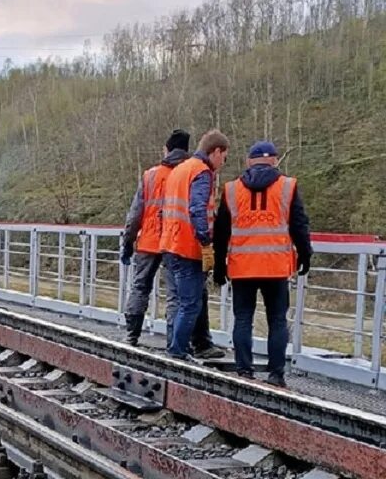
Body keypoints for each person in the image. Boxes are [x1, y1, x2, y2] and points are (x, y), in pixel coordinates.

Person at [213, 141, 311, 387]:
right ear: (275, 160)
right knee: (277, 320)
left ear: (248, 162)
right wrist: (305, 254)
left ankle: (244, 371)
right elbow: (299, 225)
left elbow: (221, 231)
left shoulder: (232, 189)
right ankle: (276, 375)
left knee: (242, 318)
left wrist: (218, 264)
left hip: (242, 266)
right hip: (276, 266)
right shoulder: (288, 187)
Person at [121, 130, 221, 358]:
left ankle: (131, 335)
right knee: (180, 296)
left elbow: (135, 213)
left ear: (166, 149)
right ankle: (182, 343)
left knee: (140, 287)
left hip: (150, 241)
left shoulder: (151, 175)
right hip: (177, 242)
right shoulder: (189, 172)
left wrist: (128, 242)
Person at [160, 129, 230, 360]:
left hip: (170, 243)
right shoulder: (202, 172)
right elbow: (197, 208)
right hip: (188, 247)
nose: (222, 162)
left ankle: (193, 345)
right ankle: (178, 351)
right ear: (216, 151)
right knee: (190, 303)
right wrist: (206, 241)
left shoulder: (180, 169)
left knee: (188, 299)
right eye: (224, 157)